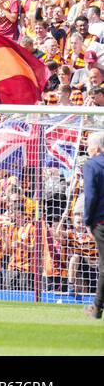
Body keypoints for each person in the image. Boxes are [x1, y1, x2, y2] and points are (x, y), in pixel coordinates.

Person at [84, 131, 104, 318]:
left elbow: (90, 196)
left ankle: (97, 307)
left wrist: (87, 221)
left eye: (88, 145)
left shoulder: (91, 165)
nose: (87, 148)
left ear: (96, 148)